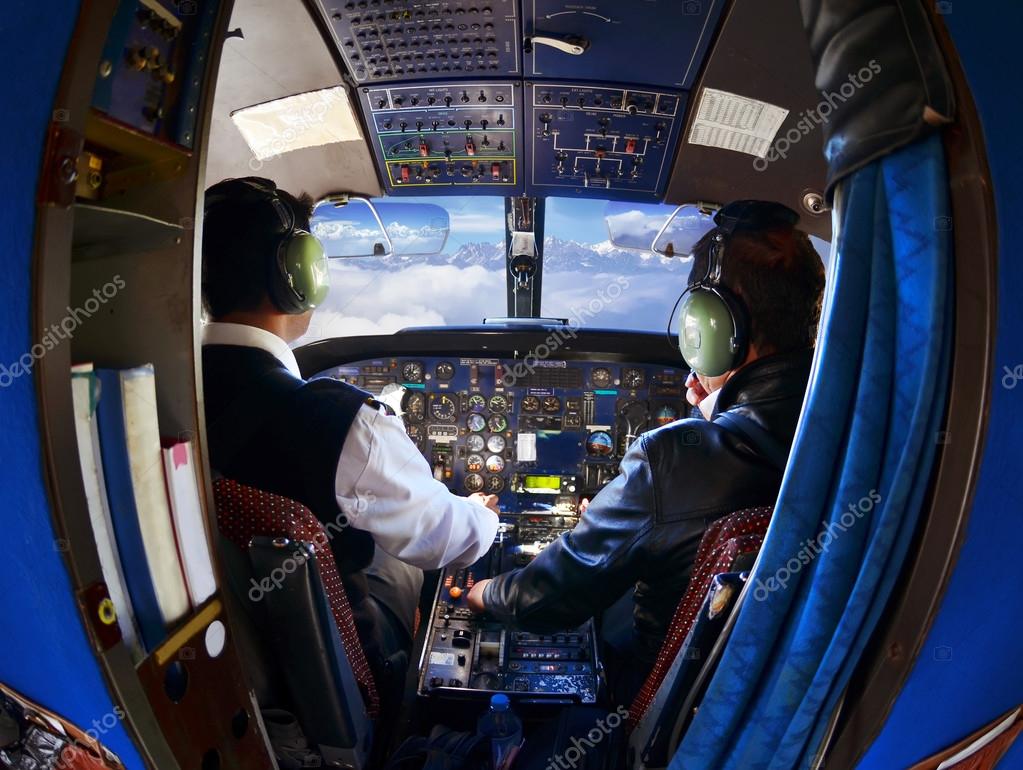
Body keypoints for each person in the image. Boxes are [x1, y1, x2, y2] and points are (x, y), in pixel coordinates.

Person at [467, 200, 826, 703]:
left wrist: (485, 592)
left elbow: (551, 598)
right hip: (755, 691)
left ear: (713, 325)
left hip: (653, 688)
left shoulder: (672, 460)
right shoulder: (850, 433)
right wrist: (717, 415)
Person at [200, 176, 500, 709]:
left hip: (241, 667)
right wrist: (481, 515)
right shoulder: (341, 424)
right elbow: (445, 541)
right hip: (343, 669)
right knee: (406, 553)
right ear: (300, 274)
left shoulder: (158, 393)